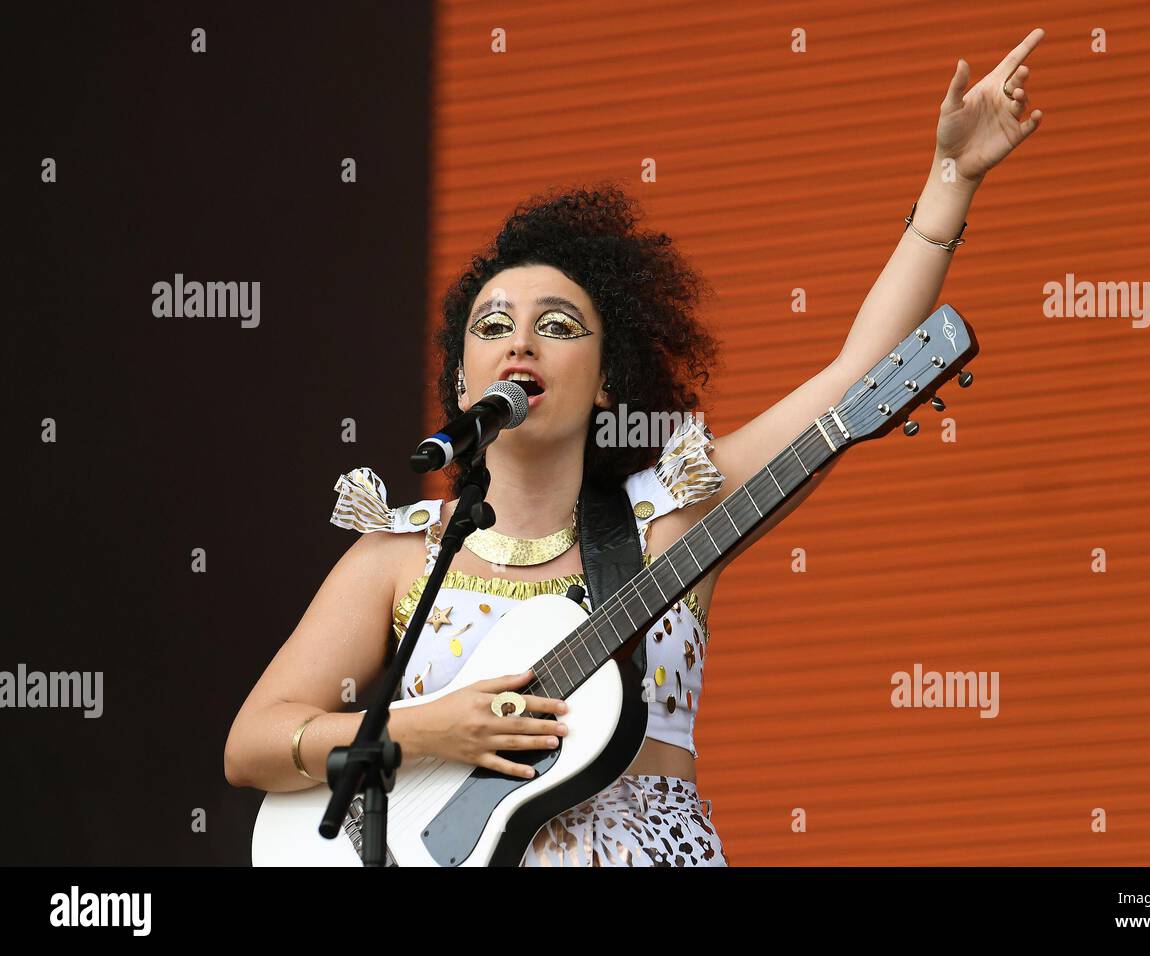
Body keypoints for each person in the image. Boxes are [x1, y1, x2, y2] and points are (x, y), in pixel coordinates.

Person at [223, 29, 1045, 866]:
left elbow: (859, 377)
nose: (522, 345)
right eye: (494, 326)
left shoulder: (672, 518)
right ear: (465, 384)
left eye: (558, 326)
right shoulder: (398, 556)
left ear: (608, 380)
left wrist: (952, 180)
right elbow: (251, 741)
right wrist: (427, 729)